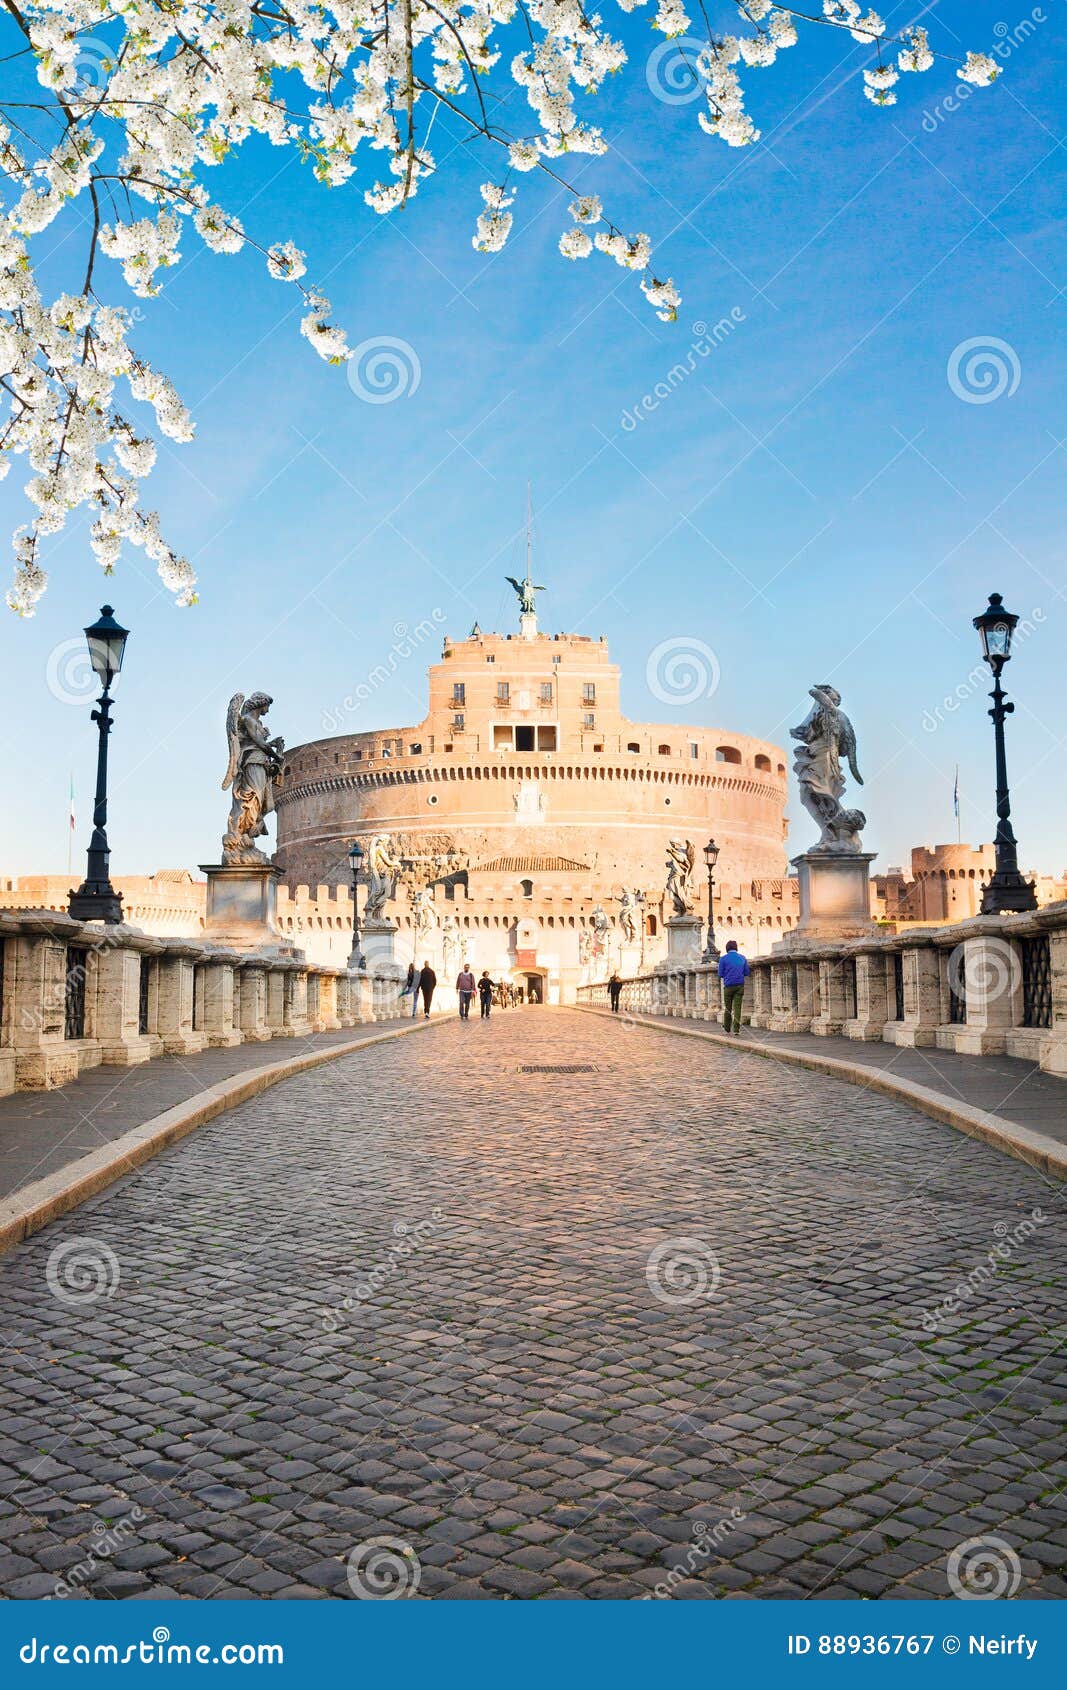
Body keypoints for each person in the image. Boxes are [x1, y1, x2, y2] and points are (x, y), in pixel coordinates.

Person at [717, 939, 750, 1035]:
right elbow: (747, 972)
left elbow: (720, 974)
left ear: (727, 948)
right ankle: (736, 1029)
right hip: (739, 985)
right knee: (737, 1008)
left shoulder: (723, 959)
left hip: (728, 986)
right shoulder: (743, 958)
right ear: (736, 948)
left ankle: (727, 1027)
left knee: (728, 1008)